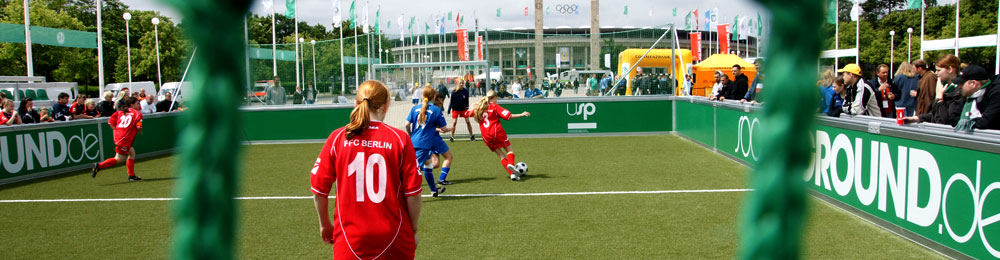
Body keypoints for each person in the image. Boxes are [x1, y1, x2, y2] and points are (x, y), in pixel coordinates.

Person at [310, 80, 422, 259]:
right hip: (394, 237)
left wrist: (324, 224)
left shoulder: (338, 138)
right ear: (386, 106)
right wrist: (414, 229)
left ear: (356, 103)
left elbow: (318, 191)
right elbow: (413, 194)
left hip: (349, 239)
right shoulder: (399, 139)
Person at [470, 90, 531, 181]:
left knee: (501, 156)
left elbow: (468, 113)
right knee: (510, 151)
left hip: (486, 137)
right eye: (496, 97)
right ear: (494, 97)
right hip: (496, 132)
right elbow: (508, 116)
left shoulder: (480, 108)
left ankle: (512, 174)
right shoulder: (494, 107)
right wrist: (521, 114)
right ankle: (510, 164)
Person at [406, 87, 454, 196]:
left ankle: (434, 190)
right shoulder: (437, 110)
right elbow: (443, 128)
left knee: (428, 164)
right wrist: (447, 130)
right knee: (413, 169)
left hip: (414, 141)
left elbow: (406, 124)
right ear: (434, 97)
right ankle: (399, 192)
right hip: (423, 144)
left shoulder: (415, 108)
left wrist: (410, 134)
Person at [91, 97, 143, 181]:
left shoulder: (120, 112)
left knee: (132, 154)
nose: (139, 105)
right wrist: (140, 131)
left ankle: (132, 176)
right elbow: (139, 126)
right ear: (132, 105)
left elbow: (110, 122)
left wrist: (117, 130)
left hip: (120, 137)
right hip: (125, 139)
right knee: (118, 159)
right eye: (137, 103)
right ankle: (99, 166)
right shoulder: (137, 114)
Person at [949, 65, 1000, 131]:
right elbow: (953, 119)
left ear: (973, 83)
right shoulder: (969, 95)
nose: (959, 87)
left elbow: (987, 122)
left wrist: (970, 123)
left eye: (961, 83)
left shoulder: (996, 94)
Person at [448, 78, 475, 142]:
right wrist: (449, 109)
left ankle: (471, 136)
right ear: (457, 83)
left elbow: (467, 101)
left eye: (462, 83)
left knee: (468, 121)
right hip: (456, 109)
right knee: (454, 122)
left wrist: (468, 108)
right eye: (460, 83)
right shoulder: (454, 92)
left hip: (464, 109)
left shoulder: (465, 91)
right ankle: (451, 137)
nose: (461, 84)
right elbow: (451, 101)